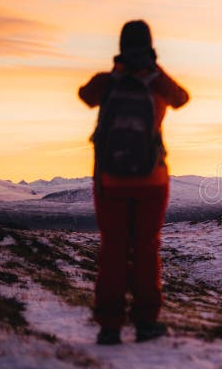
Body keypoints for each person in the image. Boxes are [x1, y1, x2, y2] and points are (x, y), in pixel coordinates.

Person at [78, 20, 190, 345]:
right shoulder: (157, 83)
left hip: (110, 179)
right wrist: (155, 70)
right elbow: (182, 98)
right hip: (152, 180)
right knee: (146, 248)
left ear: (121, 46)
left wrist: (116, 72)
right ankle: (145, 322)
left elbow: (85, 96)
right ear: (151, 46)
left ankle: (110, 325)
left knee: (112, 248)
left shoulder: (109, 82)